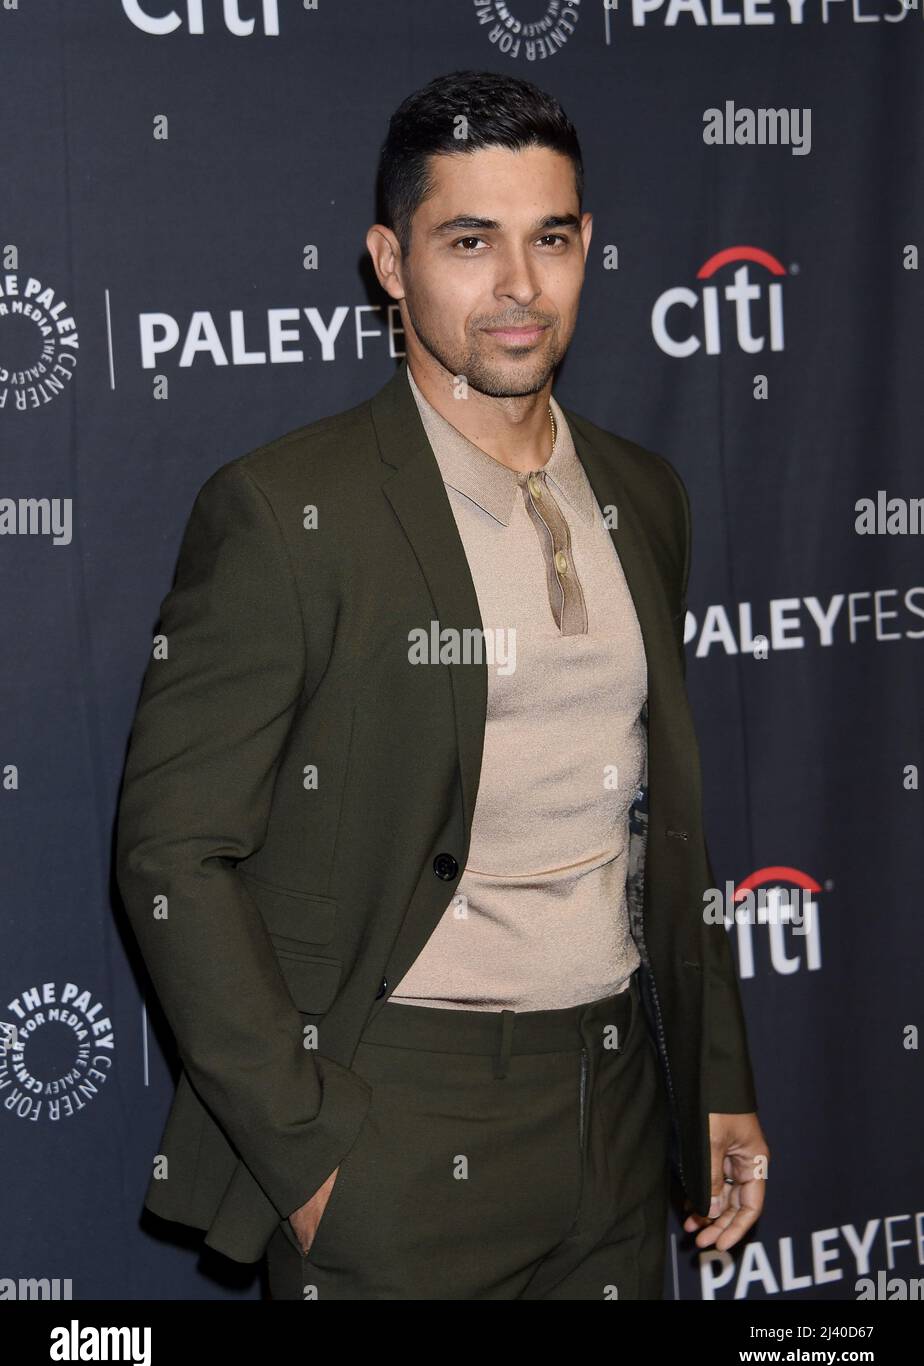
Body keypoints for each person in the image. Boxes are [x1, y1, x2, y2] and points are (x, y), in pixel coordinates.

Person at [116, 69, 769, 1301]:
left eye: (552, 239)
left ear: (588, 251)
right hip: (395, 1121)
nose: (520, 287)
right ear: (390, 261)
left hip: (621, 1106)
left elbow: (659, 826)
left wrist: (716, 1075)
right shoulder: (288, 514)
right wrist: (312, 1151)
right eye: (471, 241)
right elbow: (171, 853)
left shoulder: (648, 494)